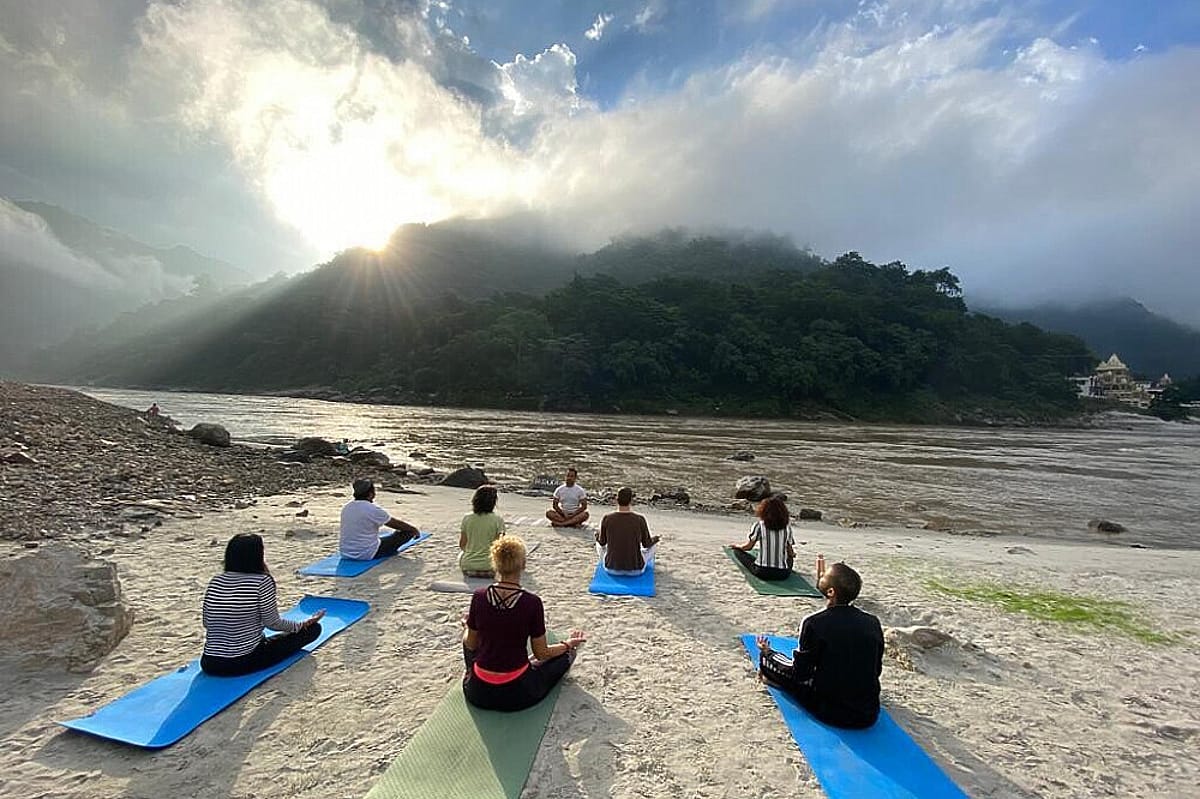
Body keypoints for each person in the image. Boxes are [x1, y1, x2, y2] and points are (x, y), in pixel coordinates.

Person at [461, 535, 586, 712]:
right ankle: (562, 652)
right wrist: (567, 645)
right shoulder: (531, 602)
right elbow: (542, 653)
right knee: (565, 656)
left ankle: (473, 670)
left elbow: (470, 643)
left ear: (495, 565)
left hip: (478, 691)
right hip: (517, 693)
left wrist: (467, 627)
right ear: (523, 564)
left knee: (469, 635)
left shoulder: (479, 597)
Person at [755, 562, 884, 729]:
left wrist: (768, 653)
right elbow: (876, 669)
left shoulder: (814, 623)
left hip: (830, 712)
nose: (820, 575)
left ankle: (774, 678)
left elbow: (800, 673)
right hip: (868, 713)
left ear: (831, 592)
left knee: (769, 666)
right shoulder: (873, 622)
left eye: (824, 576)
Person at [201, 533, 324, 676]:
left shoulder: (216, 581)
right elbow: (273, 623)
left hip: (209, 663)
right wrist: (302, 625)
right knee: (314, 629)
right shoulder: (262, 581)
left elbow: (207, 622)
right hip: (243, 661)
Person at [339, 478, 421, 560]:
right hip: (366, 553)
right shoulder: (372, 509)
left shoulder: (347, 507)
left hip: (345, 553)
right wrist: (414, 529)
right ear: (371, 494)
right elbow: (395, 524)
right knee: (407, 532)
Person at [596, 486, 660, 575]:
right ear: (631, 501)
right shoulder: (640, 519)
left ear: (616, 499)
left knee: (599, 546)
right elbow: (646, 544)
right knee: (653, 546)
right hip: (636, 570)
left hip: (611, 569)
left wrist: (597, 535)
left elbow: (602, 542)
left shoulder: (607, 518)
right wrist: (655, 539)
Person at [729, 495, 795, 580]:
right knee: (790, 558)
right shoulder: (787, 528)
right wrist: (792, 555)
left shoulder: (759, 525)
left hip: (762, 572)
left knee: (737, 552)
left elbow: (748, 547)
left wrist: (737, 546)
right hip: (783, 574)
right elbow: (790, 552)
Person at [460, 484, 505, 578]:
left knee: (462, 554)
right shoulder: (498, 520)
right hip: (490, 567)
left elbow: (462, 545)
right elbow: (499, 547)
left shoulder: (467, 518)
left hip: (468, 566)